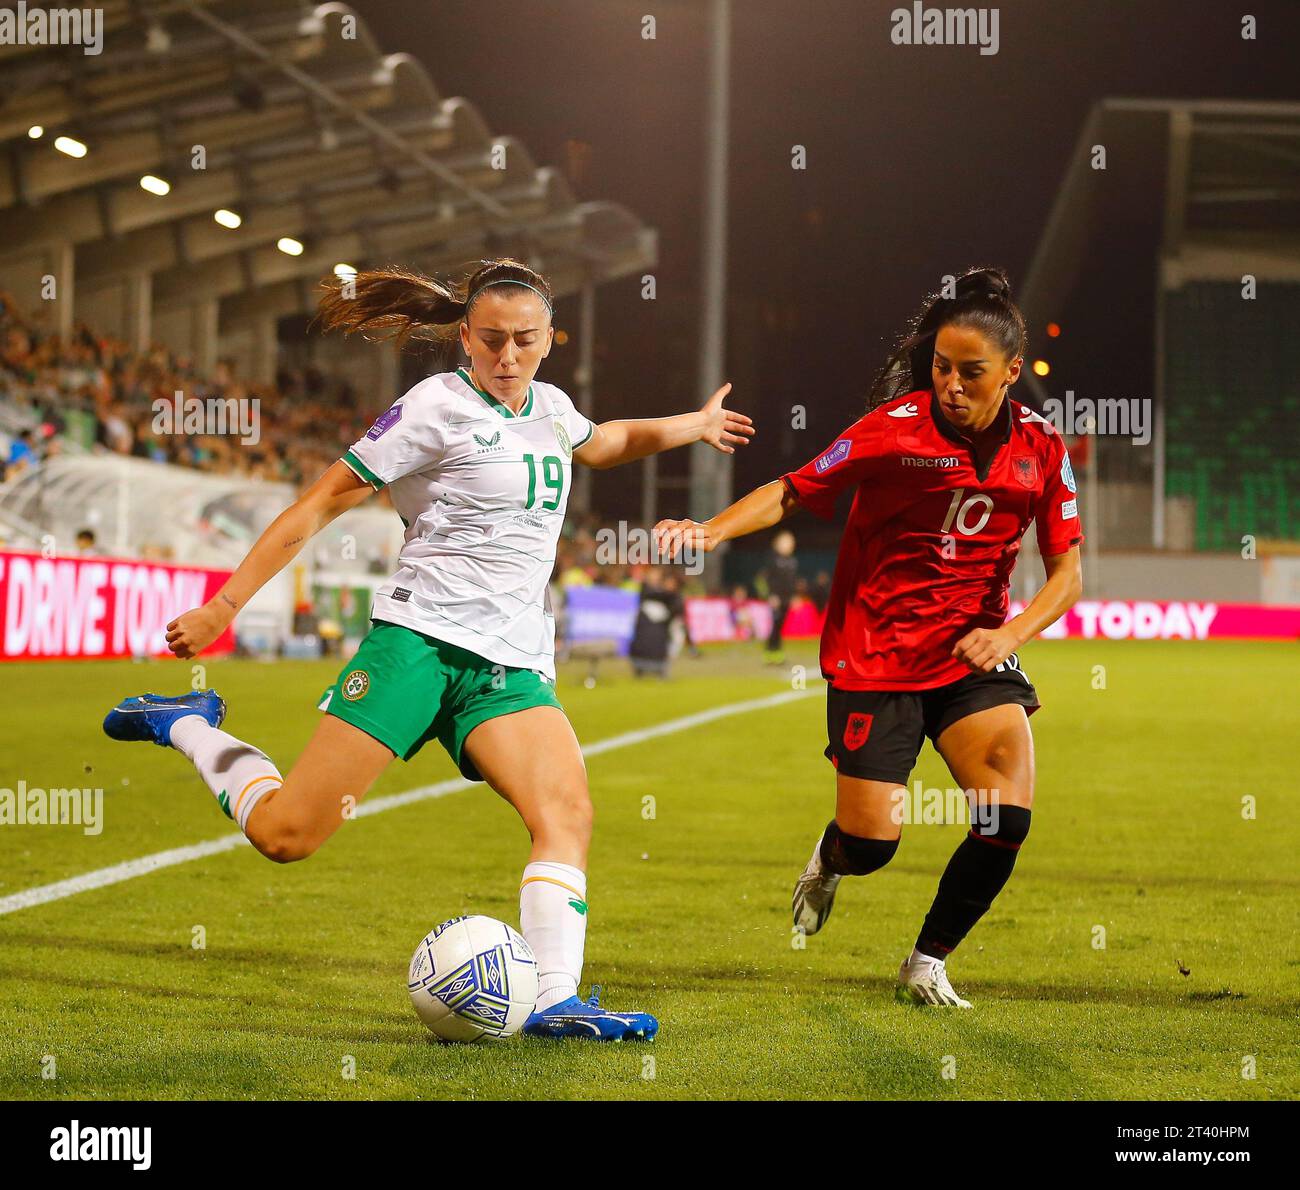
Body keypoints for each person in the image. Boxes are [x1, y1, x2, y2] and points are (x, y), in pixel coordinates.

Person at [103, 258, 753, 1040]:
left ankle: (553, 999)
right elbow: (319, 503)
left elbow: (606, 441)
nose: (506, 356)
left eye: (523, 340)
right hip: (419, 644)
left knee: (567, 814)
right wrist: (225, 605)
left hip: (509, 665)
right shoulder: (432, 407)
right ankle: (190, 724)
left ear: (552, 340)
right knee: (286, 836)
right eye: (489, 340)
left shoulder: (551, 408)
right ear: (465, 338)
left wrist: (694, 424)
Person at [655, 267, 1083, 1008]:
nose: (951, 383)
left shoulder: (1042, 449)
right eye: (942, 367)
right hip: (876, 657)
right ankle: (832, 856)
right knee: (874, 845)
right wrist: (709, 531)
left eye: (971, 372)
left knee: (1005, 815)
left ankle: (927, 960)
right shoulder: (895, 430)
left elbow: (1068, 573)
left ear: (1013, 372)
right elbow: (793, 488)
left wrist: (1009, 632)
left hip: (972, 656)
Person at [759, 529, 798, 664]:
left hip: (787, 598)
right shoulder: (773, 558)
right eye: (786, 541)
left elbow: (792, 581)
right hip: (776, 598)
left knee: (780, 626)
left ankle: (776, 652)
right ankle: (772, 652)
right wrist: (772, 595)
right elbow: (768, 579)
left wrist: (794, 596)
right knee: (775, 625)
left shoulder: (792, 561)